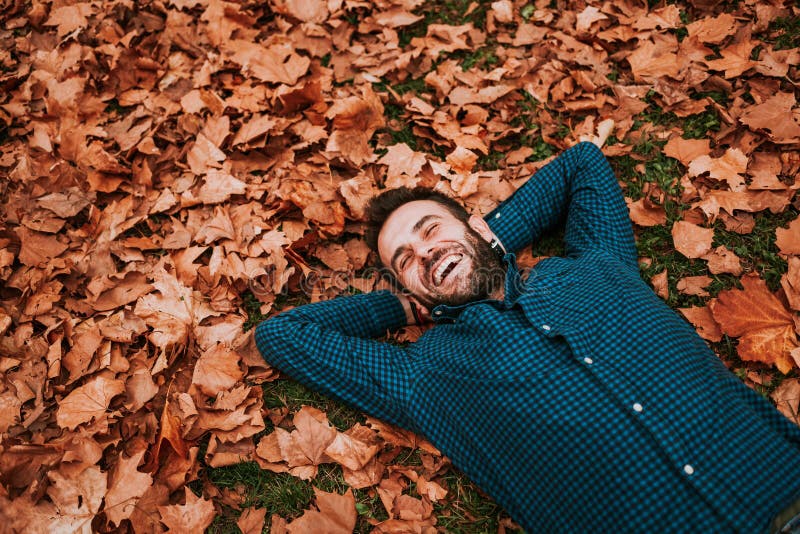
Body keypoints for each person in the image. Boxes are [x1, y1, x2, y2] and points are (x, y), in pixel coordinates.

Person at [256, 142, 800, 532]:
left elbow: (583, 163)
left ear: (475, 225)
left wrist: (484, 243)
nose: (425, 252)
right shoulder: (427, 376)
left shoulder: (596, 263)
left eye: (431, 230)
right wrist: (404, 303)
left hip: (782, 482)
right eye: (406, 260)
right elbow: (284, 334)